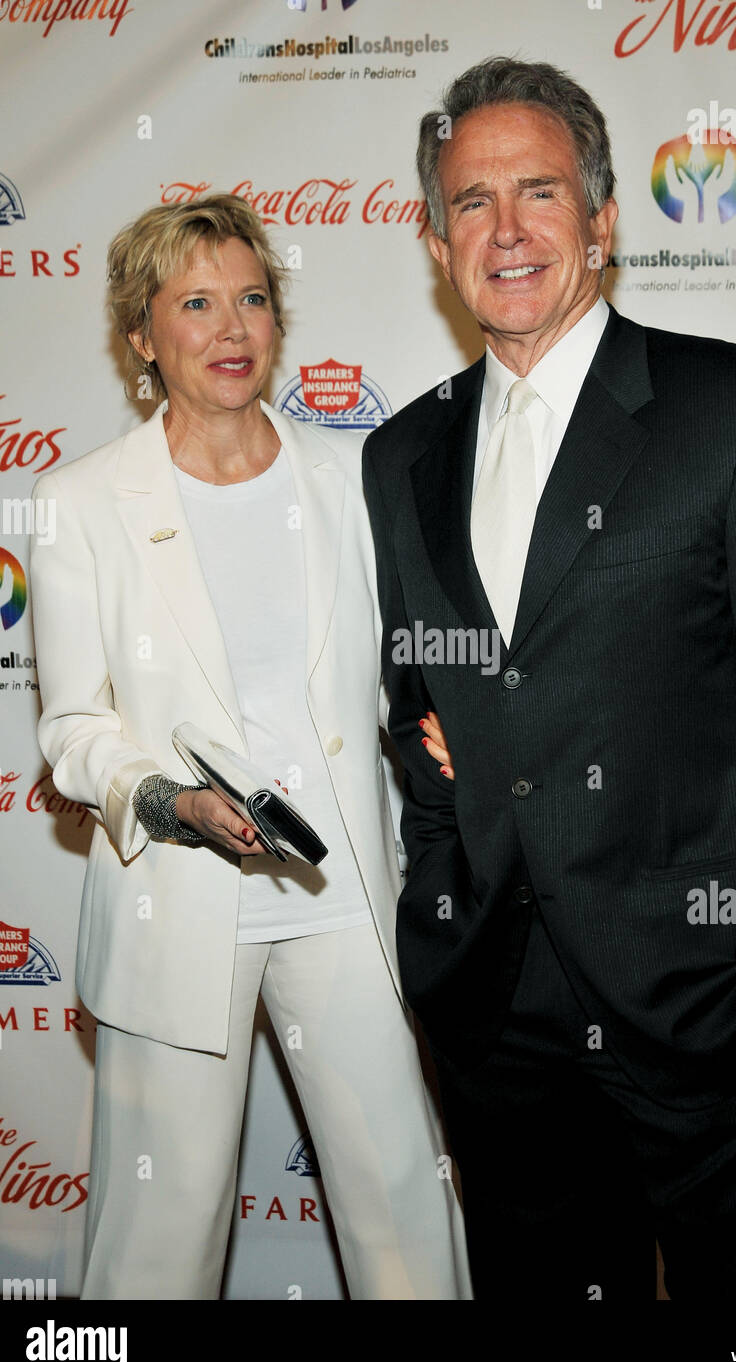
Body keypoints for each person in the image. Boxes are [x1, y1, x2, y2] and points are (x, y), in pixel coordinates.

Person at [363, 58, 736, 1301]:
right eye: (469, 201)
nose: (505, 230)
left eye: (537, 191)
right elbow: (418, 702)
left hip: (713, 1002)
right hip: (499, 1021)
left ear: (600, 219)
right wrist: (441, 884)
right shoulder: (400, 455)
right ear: (436, 241)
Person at [29, 194, 470, 1300]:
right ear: (141, 334)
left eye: (253, 299)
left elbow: (405, 670)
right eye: (196, 303)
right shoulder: (80, 501)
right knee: (156, 1242)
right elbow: (73, 728)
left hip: (344, 896)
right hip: (176, 900)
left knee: (405, 1216)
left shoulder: (352, 476)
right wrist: (168, 802)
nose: (231, 328)